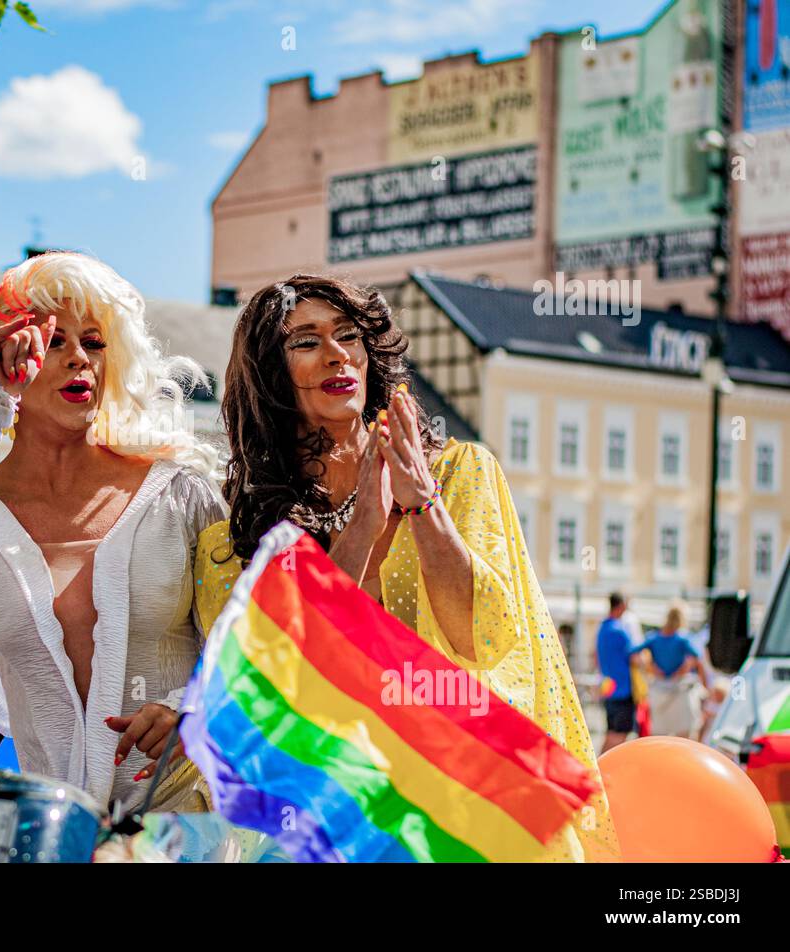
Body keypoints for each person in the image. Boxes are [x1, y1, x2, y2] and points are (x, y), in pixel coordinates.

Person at [193, 275, 619, 862]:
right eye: (306, 341)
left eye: (349, 335)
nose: (338, 353)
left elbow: (484, 636)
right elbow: (284, 682)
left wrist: (422, 504)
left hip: (460, 805)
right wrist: (365, 522)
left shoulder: (461, 473)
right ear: (268, 372)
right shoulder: (235, 542)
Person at [0, 251, 226, 813]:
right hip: (45, 833)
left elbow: (243, 647)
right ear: (12, 355)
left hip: (182, 831)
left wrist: (188, 710)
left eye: (95, 343)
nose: (79, 358)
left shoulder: (180, 495)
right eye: (53, 341)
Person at [633, 602, 709, 739]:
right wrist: (684, 669)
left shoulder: (653, 638)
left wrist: (651, 668)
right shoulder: (682, 640)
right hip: (679, 690)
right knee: (685, 737)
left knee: (660, 738)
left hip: (658, 689)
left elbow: (633, 654)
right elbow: (698, 658)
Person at [596, 592, 640, 753]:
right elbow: (635, 658)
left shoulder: (602, 628)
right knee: (619, 735)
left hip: (609, 688)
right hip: (622, 689)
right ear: (621, 606)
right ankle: (600, 769)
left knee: (611, 733)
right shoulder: (620, 631)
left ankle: (597, 767)